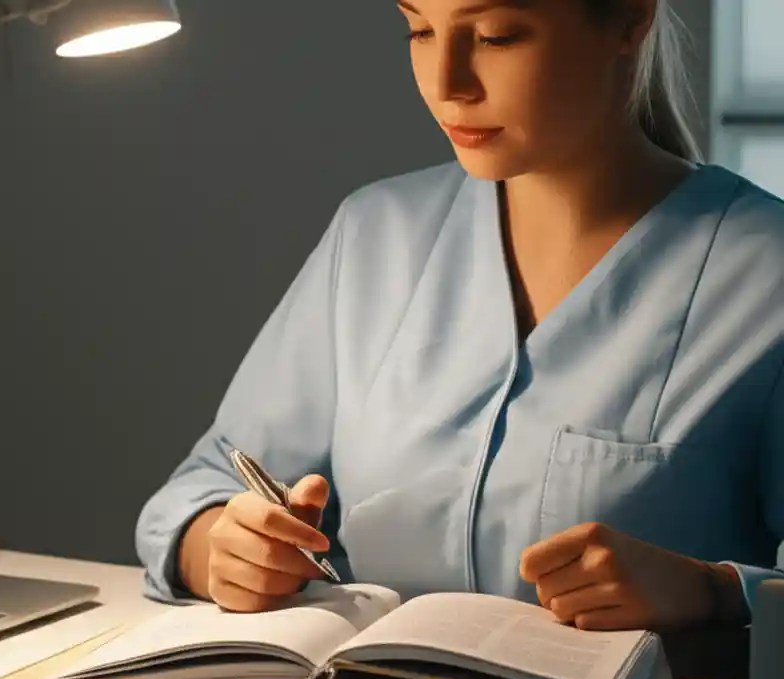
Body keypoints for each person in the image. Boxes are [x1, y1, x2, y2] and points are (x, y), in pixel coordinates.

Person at [136, 0, 784, 633]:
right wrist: (221, 546)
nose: (447, 85)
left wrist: (716, 591)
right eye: (418, 30)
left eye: (498, 36)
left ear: (629, 17)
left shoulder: (763, 272)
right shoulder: (374, 234)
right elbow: (209, 486)